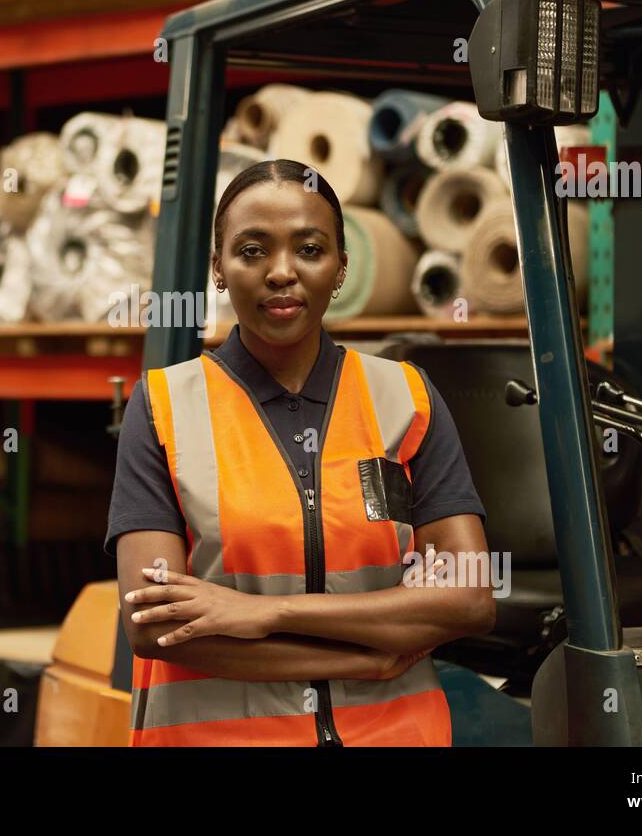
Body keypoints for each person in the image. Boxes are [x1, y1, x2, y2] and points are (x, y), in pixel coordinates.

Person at [104, 158, 495, 746]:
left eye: (309, 250)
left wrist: (266, 613)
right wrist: (363, 658)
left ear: (341, 267)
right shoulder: (163, 406)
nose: (281, 272)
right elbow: (153, 625)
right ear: (218, 268)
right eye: (253, 251)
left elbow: (468, 598)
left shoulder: (405, 397)